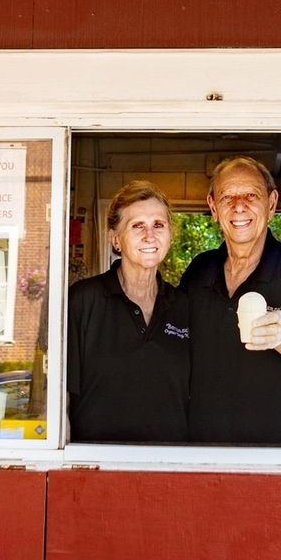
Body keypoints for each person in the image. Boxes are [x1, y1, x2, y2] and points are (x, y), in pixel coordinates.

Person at [181, 156, 281, 445]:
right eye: (228, 196)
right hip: (208, 448)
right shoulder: (199, 271)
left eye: (251, 195)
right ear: (213, 207)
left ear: (272, 203)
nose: (239, 206)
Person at [66, 181, 190, 442]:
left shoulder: (184, 306)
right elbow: (60, 397)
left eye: (158, 225)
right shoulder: (84, 300)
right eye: (137, 226)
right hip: (96, 464)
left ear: (170, 235)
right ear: (116, 240)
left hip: (169, 464)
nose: (150, 235)